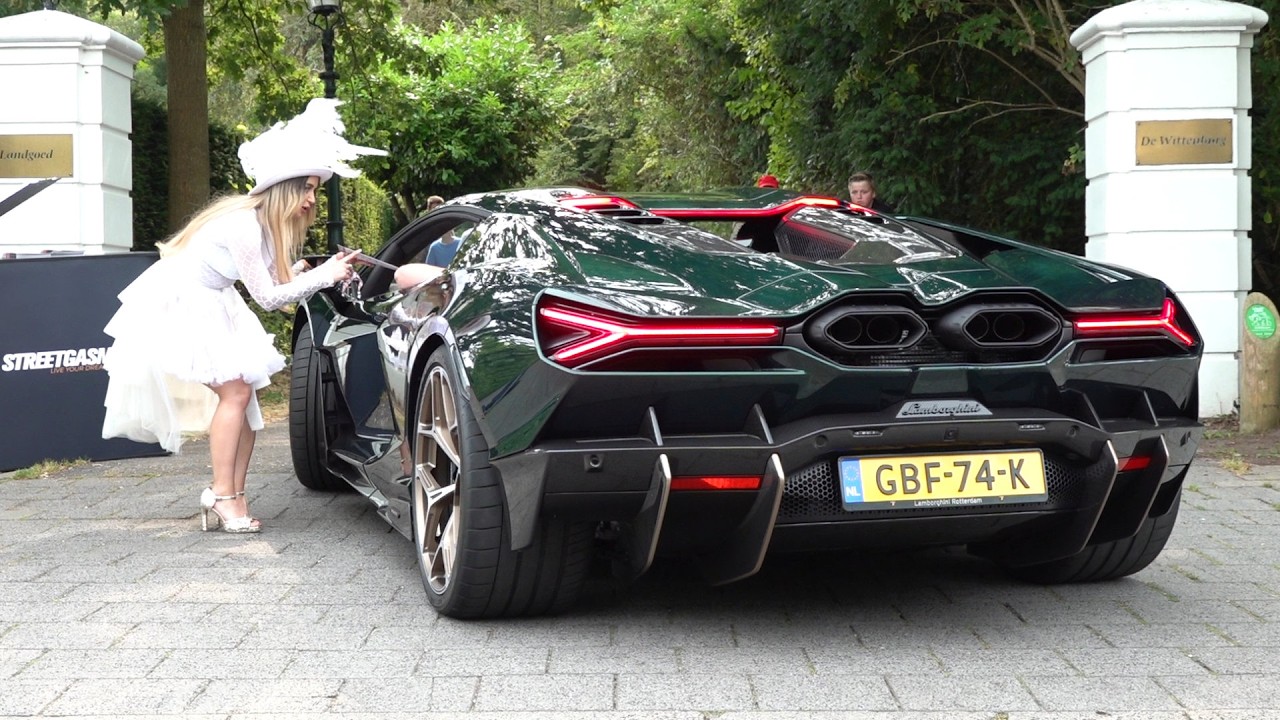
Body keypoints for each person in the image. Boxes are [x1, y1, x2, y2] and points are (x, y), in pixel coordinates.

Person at [100, 98, 386, 534]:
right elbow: (269, 298)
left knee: (244, 395)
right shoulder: (244, 226)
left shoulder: (261, 225)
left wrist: (317, 270)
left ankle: (229, 494)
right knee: (235, 394)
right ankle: (223, 494)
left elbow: (275, 281)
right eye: (307, 188)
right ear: (285, 188)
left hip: (215, 300)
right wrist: (327, 274)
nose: (312, 199)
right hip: (189, 303)